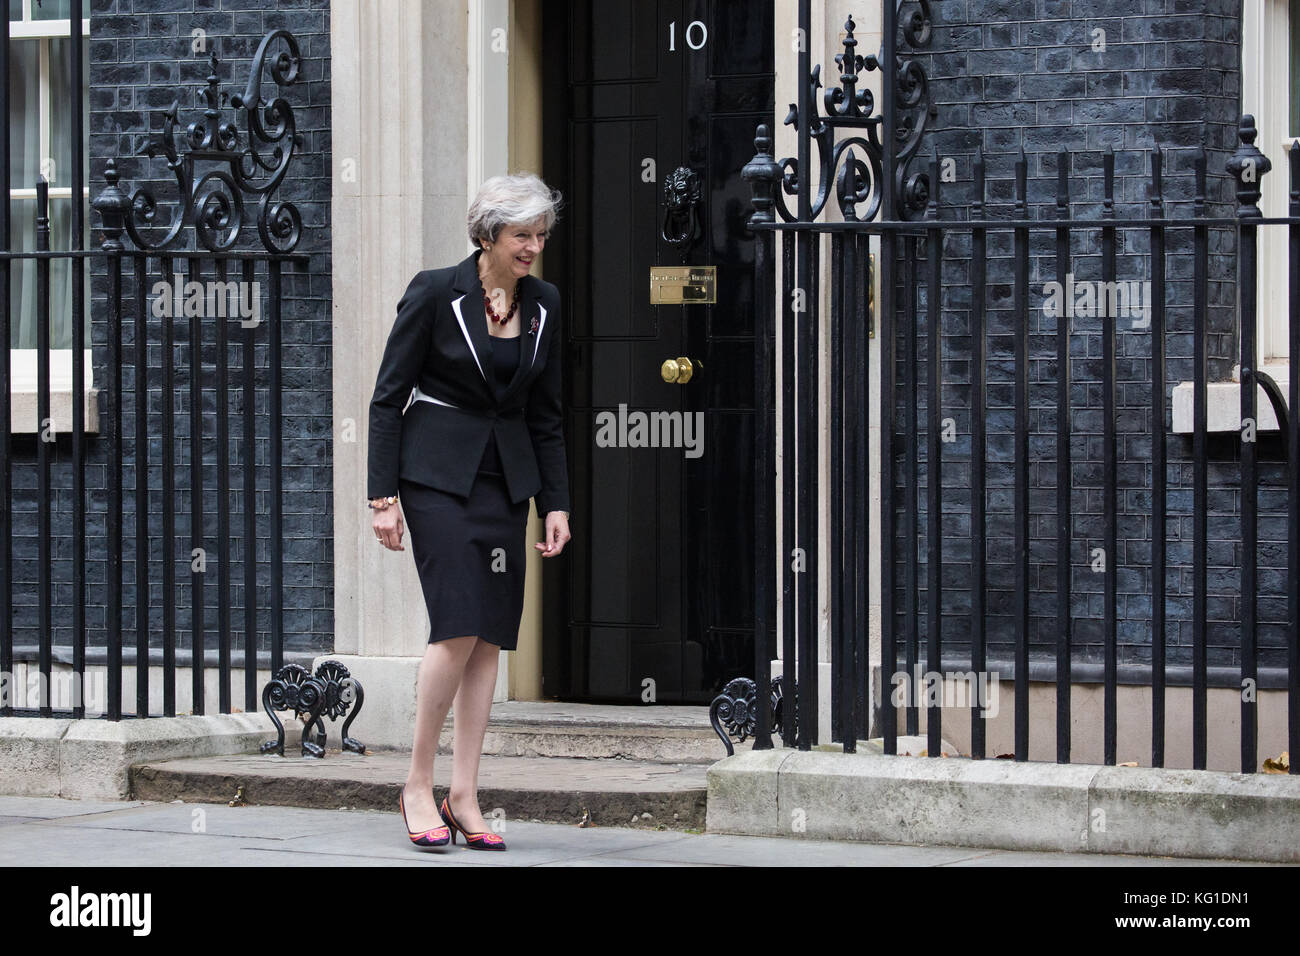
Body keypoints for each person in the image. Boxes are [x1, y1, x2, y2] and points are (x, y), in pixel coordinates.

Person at [367, 173, 571, 851]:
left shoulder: (543, 303)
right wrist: (382, 497)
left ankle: (464, 792)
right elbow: (387, 398)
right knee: (456, 625)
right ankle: (417, 783)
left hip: (505, 484)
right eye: (522, 235)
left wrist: (555, 504)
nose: (534, 247)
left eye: (541, 235)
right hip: (435, 480)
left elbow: (547, 416)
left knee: (488, 638)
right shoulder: (434, 292)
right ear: (488, 234)